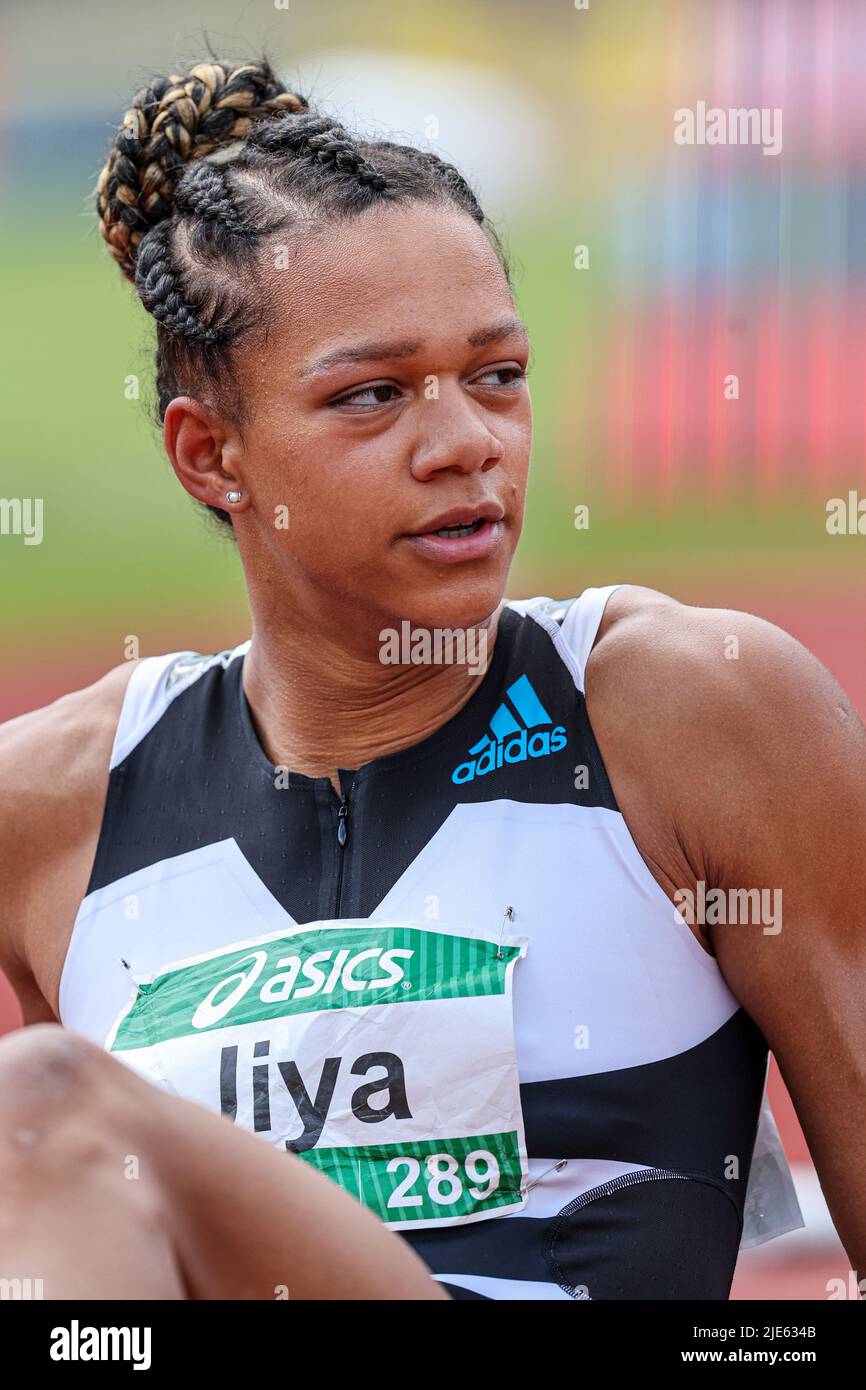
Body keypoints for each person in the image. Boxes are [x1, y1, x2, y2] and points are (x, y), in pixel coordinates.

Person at [0, 56, 864, 1301]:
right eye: (373, 395)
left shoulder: (691, 715)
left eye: (497, 374)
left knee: (48, 1102)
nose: (465, 442)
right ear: (211, 456)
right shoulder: (57, 807)